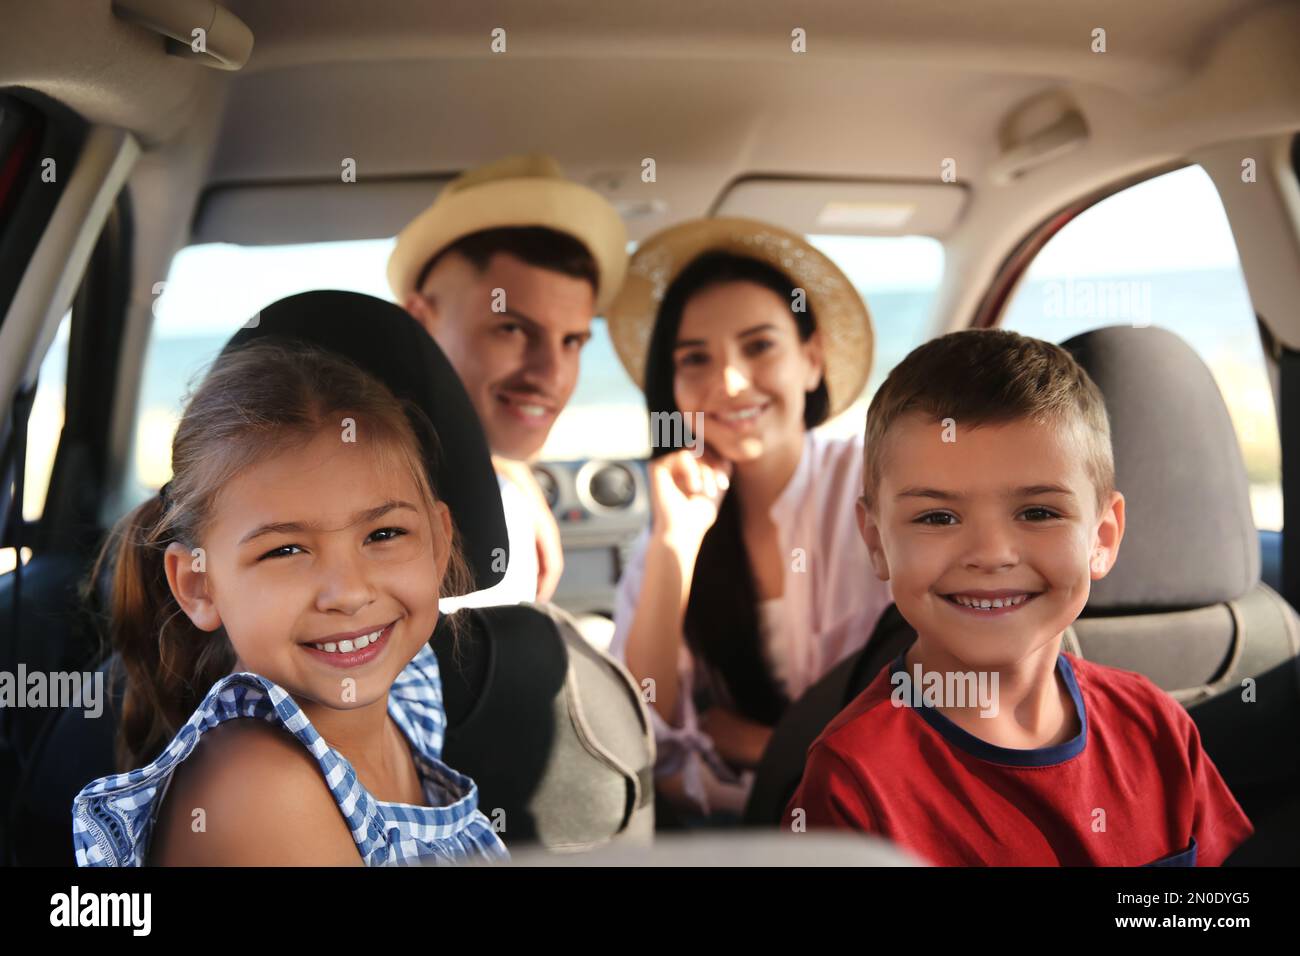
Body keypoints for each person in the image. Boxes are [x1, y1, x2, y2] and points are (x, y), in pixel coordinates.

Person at [71, 293, 509, 866]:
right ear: (199, 585)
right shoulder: (259, 793)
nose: (349, 593)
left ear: (439, 539)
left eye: (383, 535)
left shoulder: (408, 690)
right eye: (286, 550)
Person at [788, 329, 1254, 866]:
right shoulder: (853, 781)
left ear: (1101, 538)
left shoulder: (1155, 726)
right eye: (937, 517)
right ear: (876, 543)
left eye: (1038, 512)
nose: (990, 554)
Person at [603, 218, 893, 818]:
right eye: (695, 359)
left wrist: (766, 745)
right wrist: (673, 545)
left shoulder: (881, 483)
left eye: (759, 346)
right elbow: (639, 730)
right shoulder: (675, 519)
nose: (730, 383)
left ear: (812, 361)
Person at [387, 153, 628, 608]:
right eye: (513, 329)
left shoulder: (496, 493)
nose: (552, 375)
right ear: (418, 324)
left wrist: (504, 469)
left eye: (573, 341)